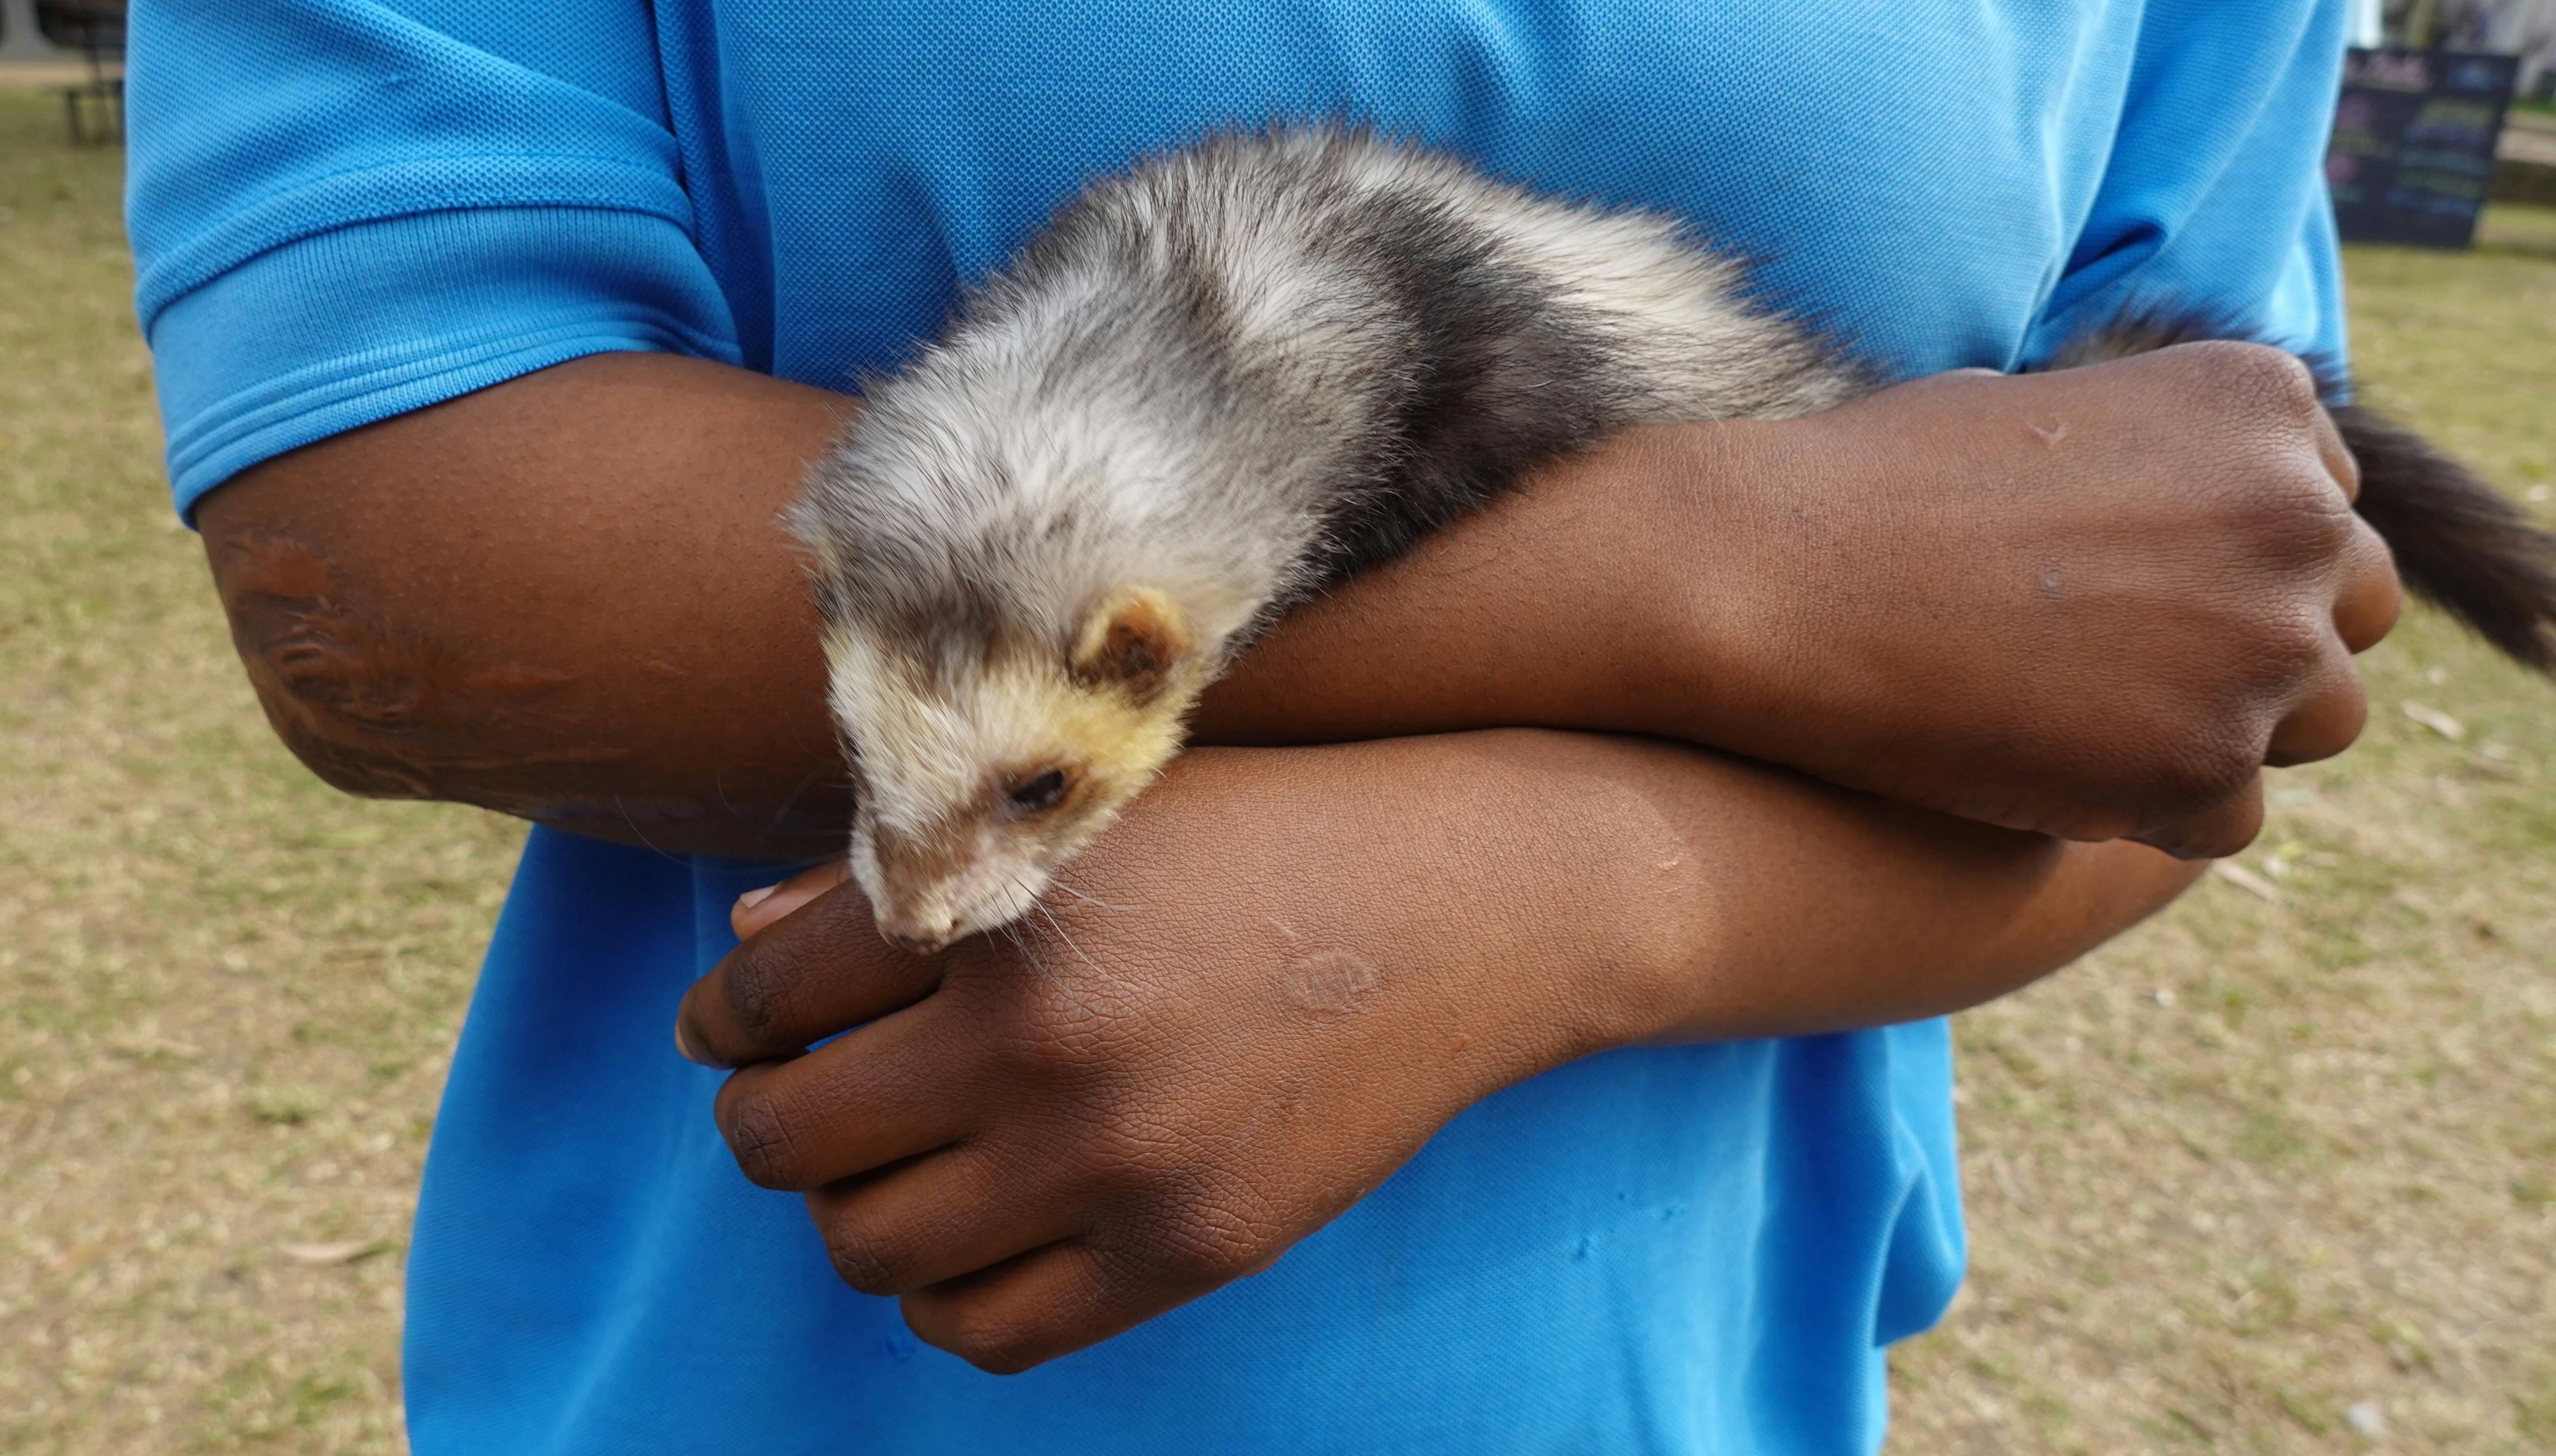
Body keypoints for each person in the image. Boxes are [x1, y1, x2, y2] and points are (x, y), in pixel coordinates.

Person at [127, 0, 2399, 1450]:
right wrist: (1725, 588)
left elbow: (2182, 659)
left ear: (1137, 653)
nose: (951, 895)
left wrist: (1588, 897)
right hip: (728, 1384)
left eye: (1025, 796)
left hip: (1679, 1380)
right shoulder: (1090, 513)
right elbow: (380, 525)